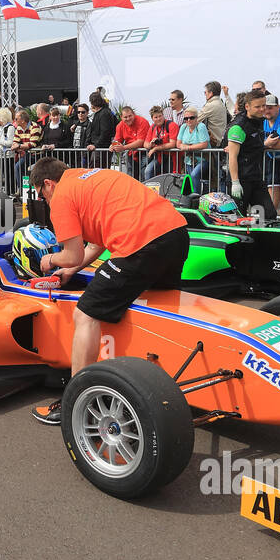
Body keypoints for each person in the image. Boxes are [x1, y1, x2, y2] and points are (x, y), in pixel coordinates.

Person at [26, 158, 190, 424]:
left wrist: (52, 261)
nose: (43, 200)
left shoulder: (62, 196)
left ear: (48, 183)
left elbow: (71, 253)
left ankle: (76, 399)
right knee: (158, 308)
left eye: (41, 193)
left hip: (141, 244)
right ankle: (164, 385)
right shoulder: (90, 177)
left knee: (85, 315)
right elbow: (97, 244)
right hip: (176, 233)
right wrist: (70, 271)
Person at [226, 89, 276, 220]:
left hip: (256, 178)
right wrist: (235, 182)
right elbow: (232, 156)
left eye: (263, 106)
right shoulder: (238, 126)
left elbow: (252, 146)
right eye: (257, 107)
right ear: (247, 107)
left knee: (268, 215)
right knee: (237, 218)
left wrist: (265, 144)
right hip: (241, 180)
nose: (262, 109)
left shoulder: (259, 121)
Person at [110, 106, 152, 179]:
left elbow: (141, 142)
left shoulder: (142, 121)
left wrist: (123, 147)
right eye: (125, 117)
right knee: (131, 176)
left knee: (144, 174)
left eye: (130, 116)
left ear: (134, 114)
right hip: (131, 153)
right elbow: (117, 139)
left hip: (145, 152)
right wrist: (113, 146)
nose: (128, 119)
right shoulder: (120, 125)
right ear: (121, 117)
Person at [176, 108, 210, 193]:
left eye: (191, 118)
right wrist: (184, 146)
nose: (188, 120)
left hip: (203, 159)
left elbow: (204, 144)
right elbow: (178, 144)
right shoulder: (183, 127)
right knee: (191, 179)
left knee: (194, 175)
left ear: (196, 118)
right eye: (186, 118)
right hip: (188, 161)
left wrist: (188, 147)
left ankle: (196, 198)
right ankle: (193, 200)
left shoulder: (201, 126)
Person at [84, 92, 117, 168]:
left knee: (96, 171)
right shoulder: (102, 112)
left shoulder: (104, 113)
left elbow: (105, 132)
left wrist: (96, 145)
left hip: (101, 149)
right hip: (100, 148)